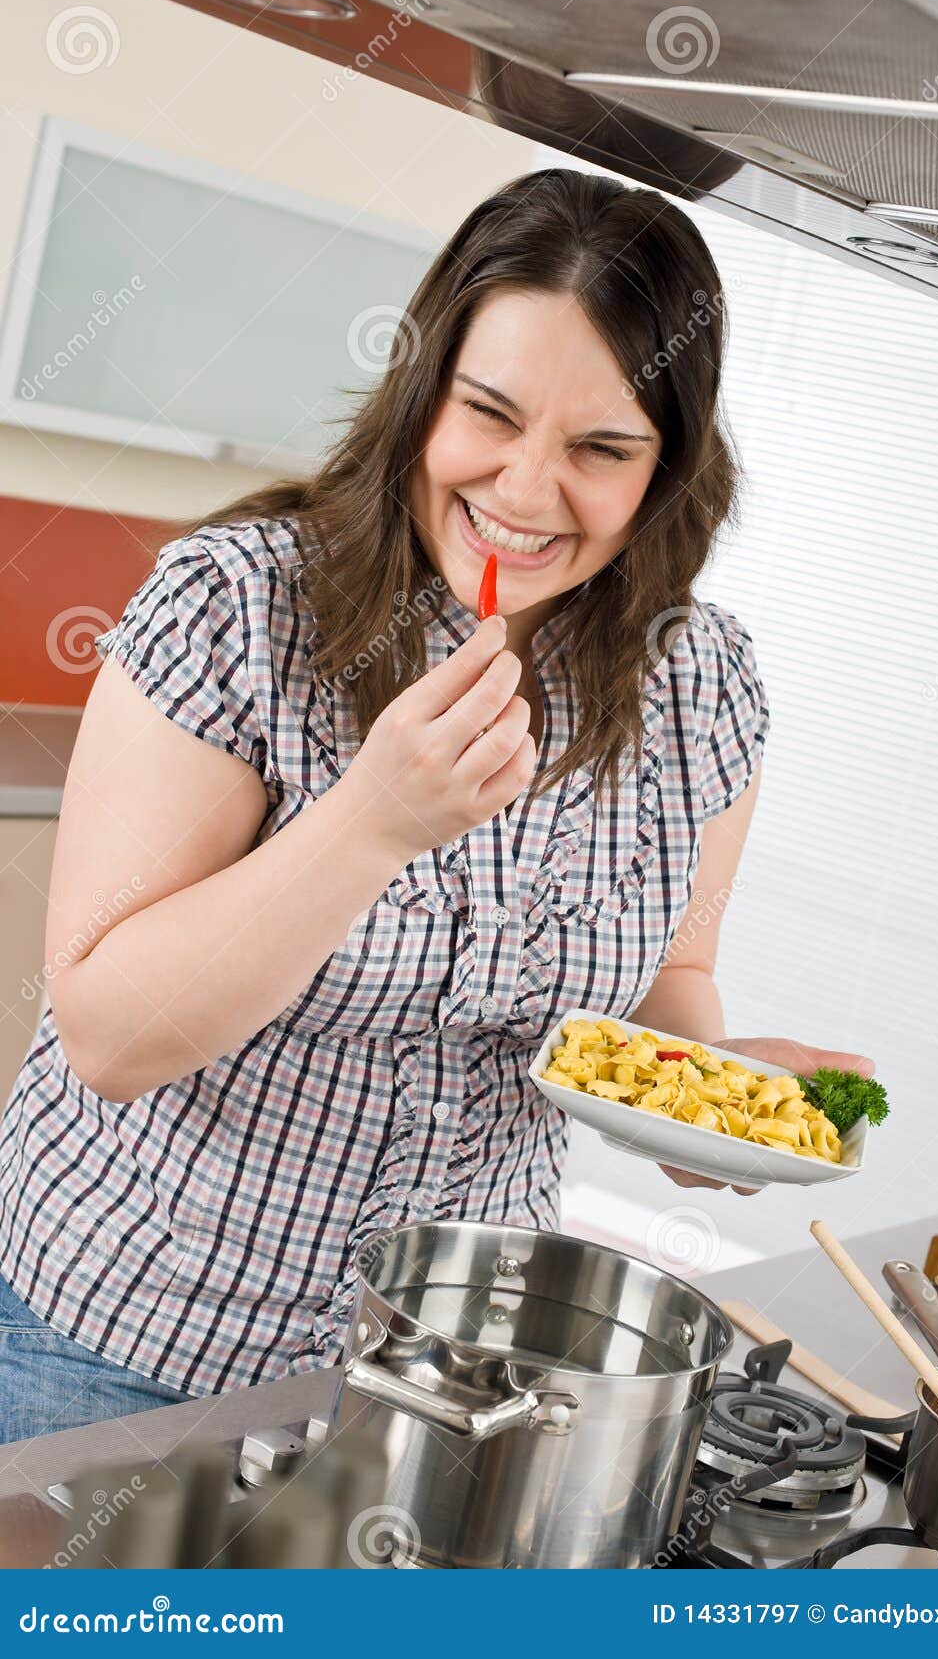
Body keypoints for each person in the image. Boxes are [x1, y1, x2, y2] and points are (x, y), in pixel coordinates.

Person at [0, 169, 873, 1442]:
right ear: (423, 393)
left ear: (666, 469)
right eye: (490, 415)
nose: (524, 490)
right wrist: (370, 824)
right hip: (131, 1343)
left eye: (600, 448)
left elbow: (668, 981)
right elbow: (110, 1036)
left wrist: (716, 1097)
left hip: (455, 1370)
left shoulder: (699, 682)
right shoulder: (237, 609)